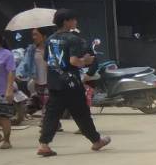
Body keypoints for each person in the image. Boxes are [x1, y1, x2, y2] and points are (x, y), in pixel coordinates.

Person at [38, 10, 109, 157]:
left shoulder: (50, 39)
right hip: (71, 83)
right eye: (73, 19)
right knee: (81, 113)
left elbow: (47, 61)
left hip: (54, 82)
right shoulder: (73, 39)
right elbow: (74, 61)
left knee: (52, 114)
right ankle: (96, 141)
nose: (76, 22)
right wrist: (86, 61)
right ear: (66, 21)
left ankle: (44, 144)